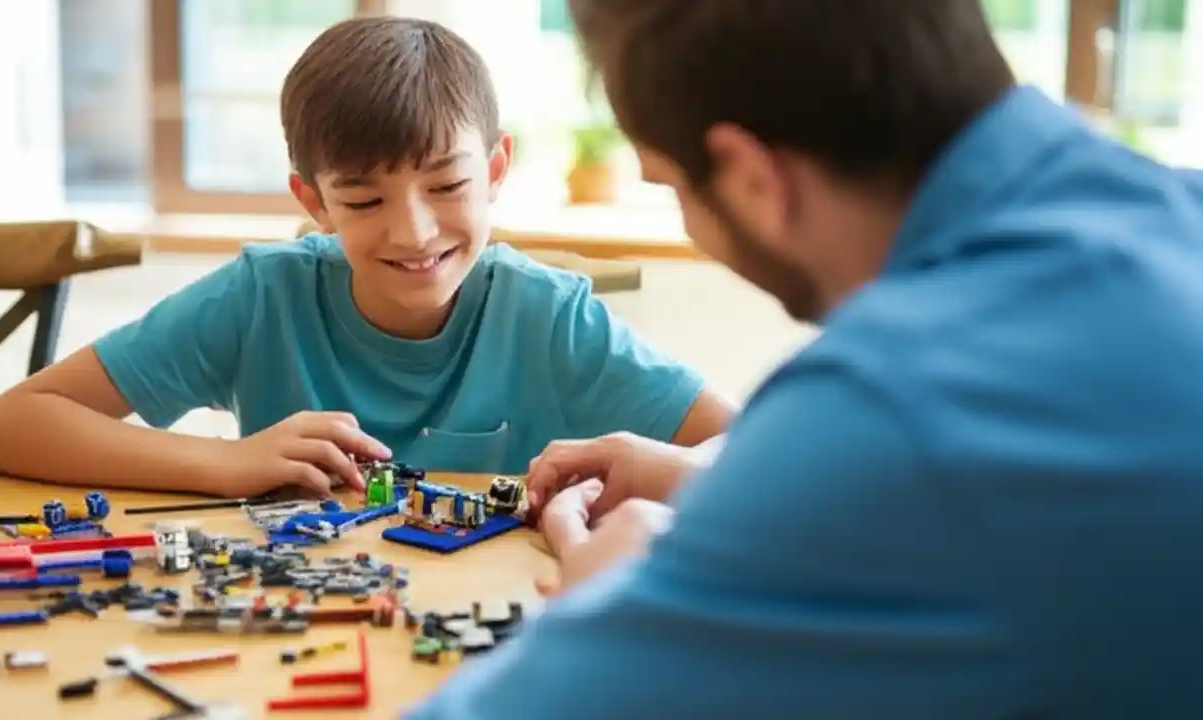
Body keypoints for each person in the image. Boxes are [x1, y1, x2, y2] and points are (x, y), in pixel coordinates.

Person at [406, 1, 1203, 718]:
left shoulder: (887, 405)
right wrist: (718, 484)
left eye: (672, 185)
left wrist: (605, 591)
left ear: (753, 179)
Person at [0, 17, 731, 499]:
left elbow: (750, 446)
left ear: (496, 171)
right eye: (365, 201)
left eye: (449, 185)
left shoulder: (550, 317)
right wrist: (226, 464)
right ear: (314, 203)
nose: (413, 232)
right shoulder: (261, 296)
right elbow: (10, 425)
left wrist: (650, 460)